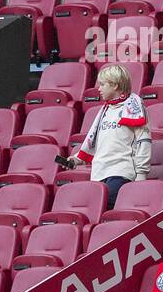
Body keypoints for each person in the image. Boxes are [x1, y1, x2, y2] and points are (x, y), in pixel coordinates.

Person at [61, 64, 152, 209]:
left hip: (121, 173)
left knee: (107, 211)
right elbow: (97, 141)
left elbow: (144, 141)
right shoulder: (105, 110)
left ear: (115, 85)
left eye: (103, 84)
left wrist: (141, 173)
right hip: (98, 174)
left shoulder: (134, 107)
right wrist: (78, 159)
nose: (99, 88)